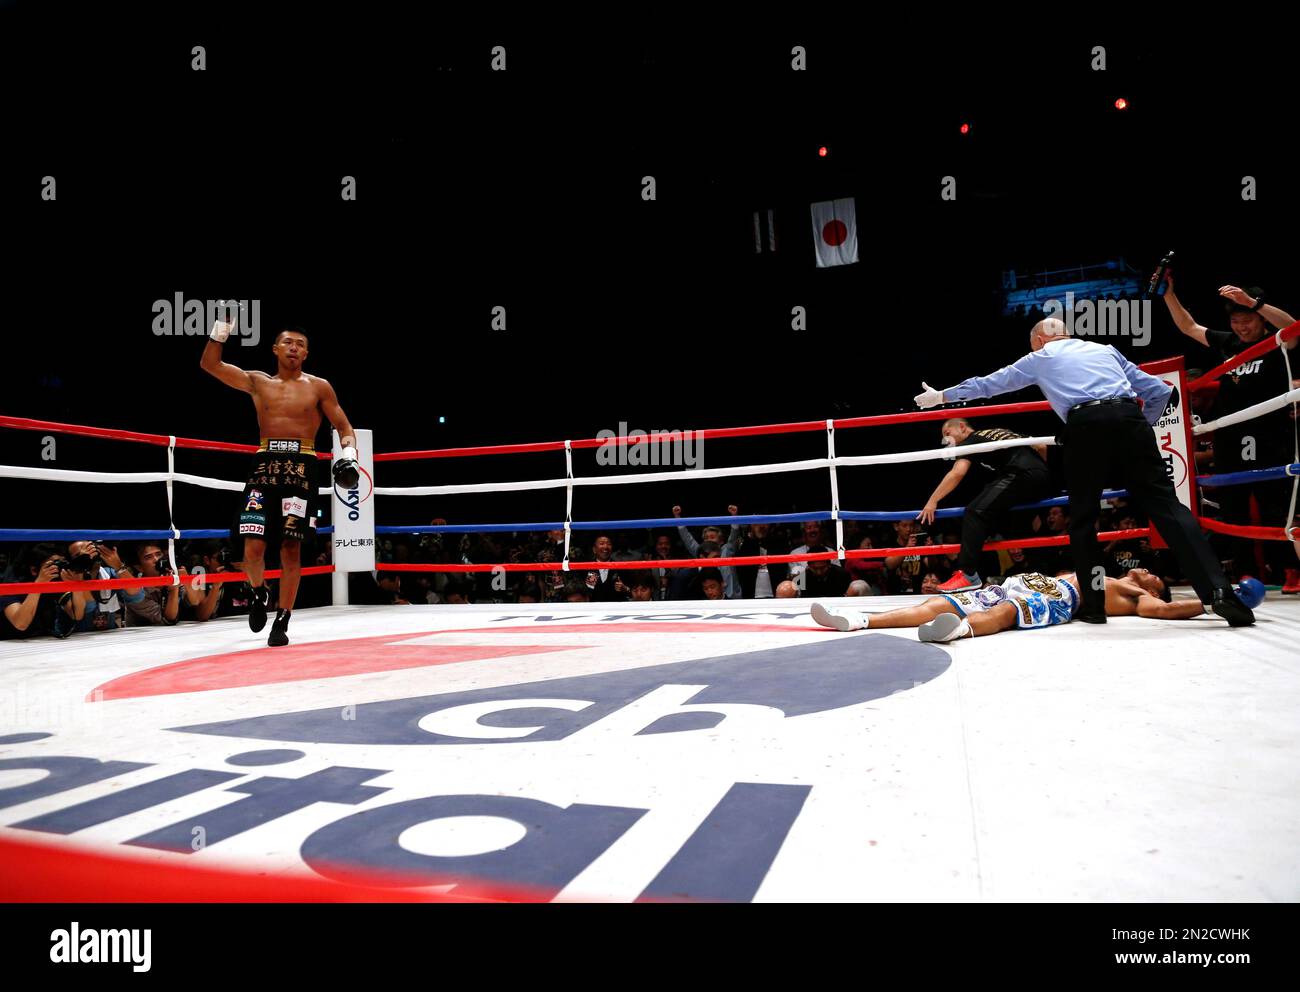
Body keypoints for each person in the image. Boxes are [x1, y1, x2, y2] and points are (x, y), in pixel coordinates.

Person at [915, 317, 1253, 626]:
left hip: (1084, 426)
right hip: (1129, 420)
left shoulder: (1040, 357)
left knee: (1084, 517)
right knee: (1167, 507)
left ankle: (1093, 605)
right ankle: (1219, 593)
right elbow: (1160, 392)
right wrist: (1137, 425)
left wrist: (943, 396)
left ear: (1038, 340)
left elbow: (989, 384)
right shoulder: (1105, 350)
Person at [201, 314, 358, 645]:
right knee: (252, 546)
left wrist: (349, 458)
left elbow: (344, 428)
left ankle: (283, 619)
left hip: (301, 467)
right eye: (288, 342)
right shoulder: (258, 382)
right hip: (265, 465)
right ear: (275, 349)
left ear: (306, 354)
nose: (294, 348)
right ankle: (258, 592)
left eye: (300, 344)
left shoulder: (319, 387)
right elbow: (210, 364)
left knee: (290, 548)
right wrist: (222, 328)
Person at [1158, 275, 1299, 591]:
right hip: (1230, 435)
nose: (1241, 327)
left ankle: (1289, 569)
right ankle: (1246, 573)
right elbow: (1189, 327)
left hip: (1270, 433)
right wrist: (1170, 294)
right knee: (1234, 508)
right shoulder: (1228, 343)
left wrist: (1254, 303)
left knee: (1274, 504)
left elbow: (1294, 327)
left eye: (1247, 319)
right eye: (1236, 320)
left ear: (1261, 318)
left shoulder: (1278, 342)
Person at [811, 568, 1201, 641]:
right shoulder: (1120, 575)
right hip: (1033, 580)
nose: (1149, 570)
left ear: (1156, 588)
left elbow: (1163, 611)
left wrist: (1213, 602)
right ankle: (861, 618)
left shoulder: (1140, 595)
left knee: (1011, 612)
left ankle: (959, 630)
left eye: (1156, 577)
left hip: (1063, 598)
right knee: (940, 601)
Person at [918, 418, 1051, 592]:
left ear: (962, 427)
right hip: (1042, 476)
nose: (946, 440)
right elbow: (1042, 446)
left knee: (974, 511)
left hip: (1020, 474)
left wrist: (932, 500)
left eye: (947, 434)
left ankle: (968, 575)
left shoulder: (970, 441)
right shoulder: (999, 431)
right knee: (995, 502)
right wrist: (1038, 471)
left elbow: (957, 473)